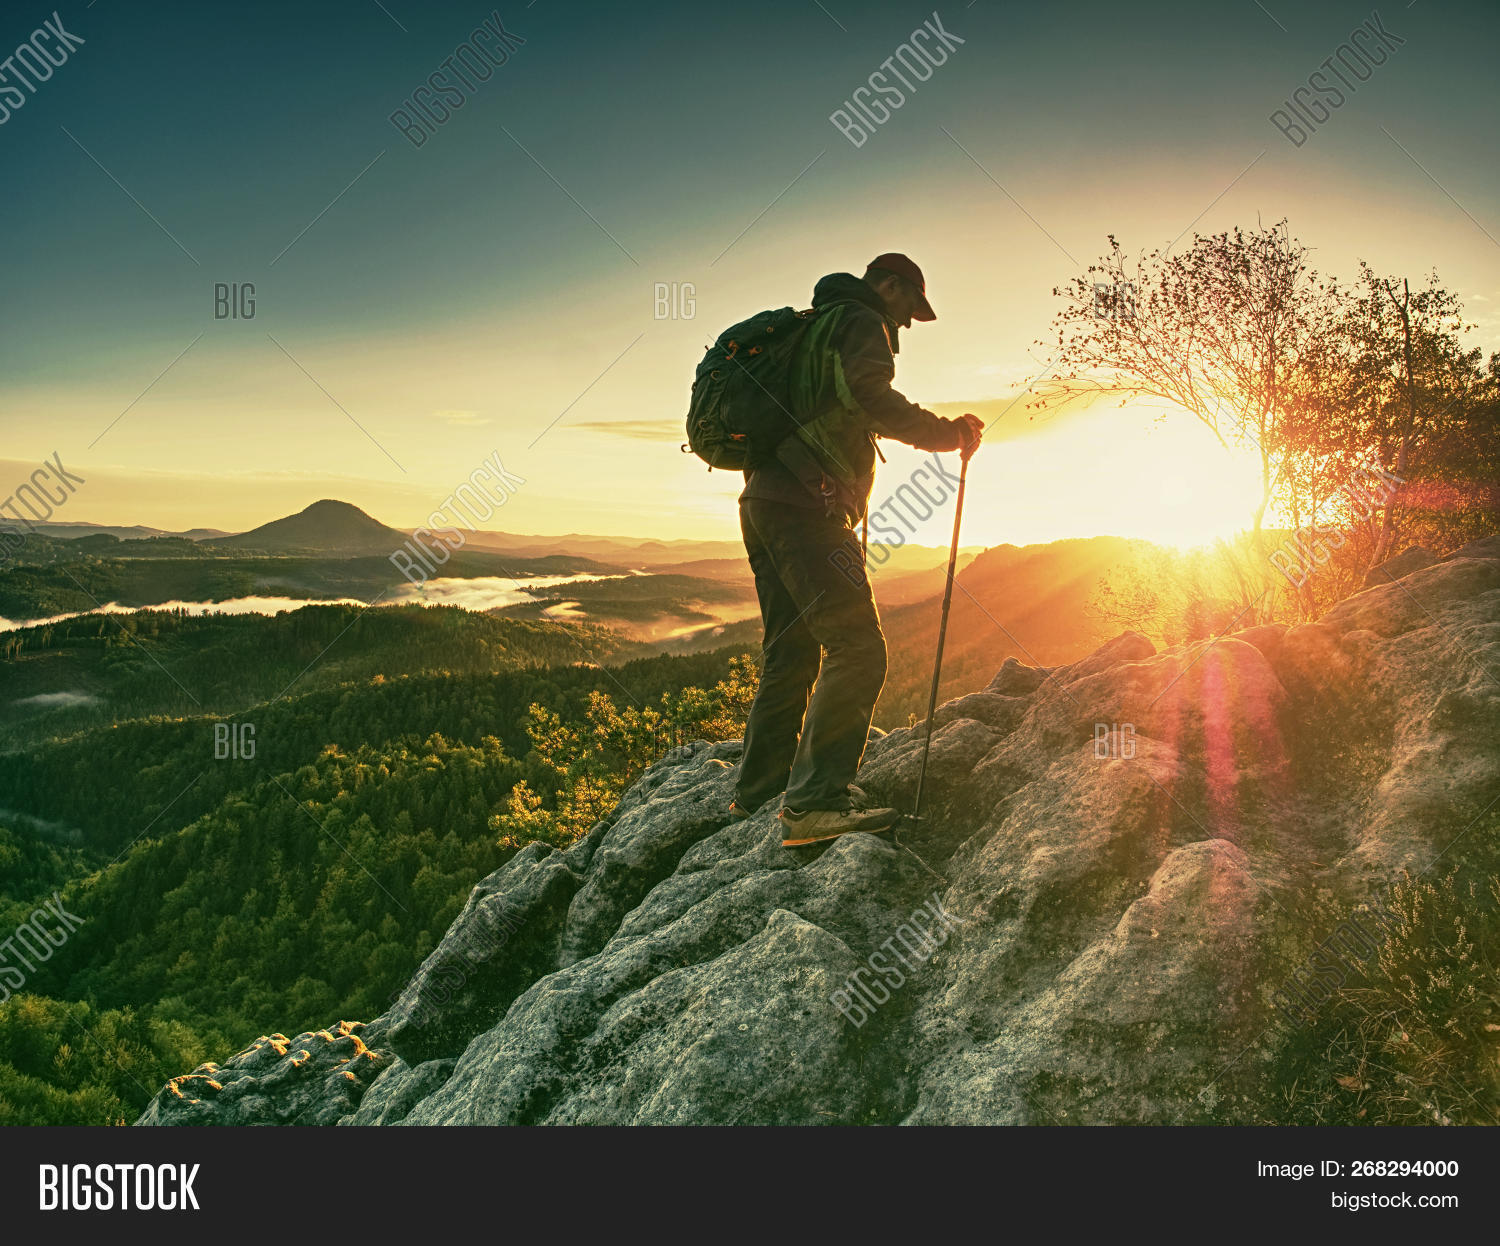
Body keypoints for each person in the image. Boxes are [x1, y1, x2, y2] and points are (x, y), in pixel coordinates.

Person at [731, 253, 983, 847]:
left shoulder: (811, 325)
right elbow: (873, 398)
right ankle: (814, 803)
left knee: (790, 650)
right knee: (858, 648)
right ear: (888, 287)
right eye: (909, 310)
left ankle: (760, 791)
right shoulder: (860, 321)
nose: (908, 326)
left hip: (763, 500)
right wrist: (951, 434)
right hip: (808, 508)